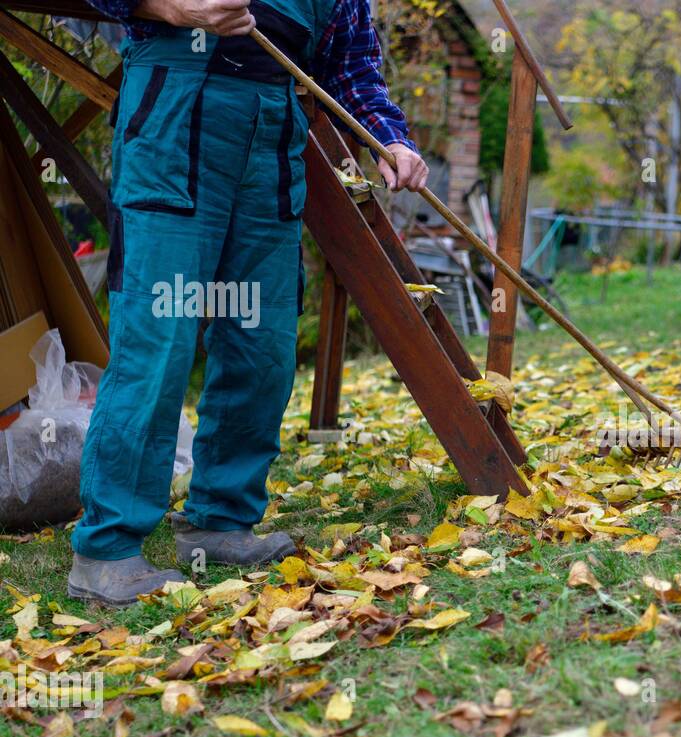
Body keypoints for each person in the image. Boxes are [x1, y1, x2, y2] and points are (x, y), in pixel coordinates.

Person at [68, 0, 427, 606]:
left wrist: (389, 138)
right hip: (175, 112)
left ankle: (220, 520)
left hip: (273, 134)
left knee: (262, 343)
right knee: (160, 337)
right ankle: (106, 550)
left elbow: (352, 65)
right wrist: (169, 7)